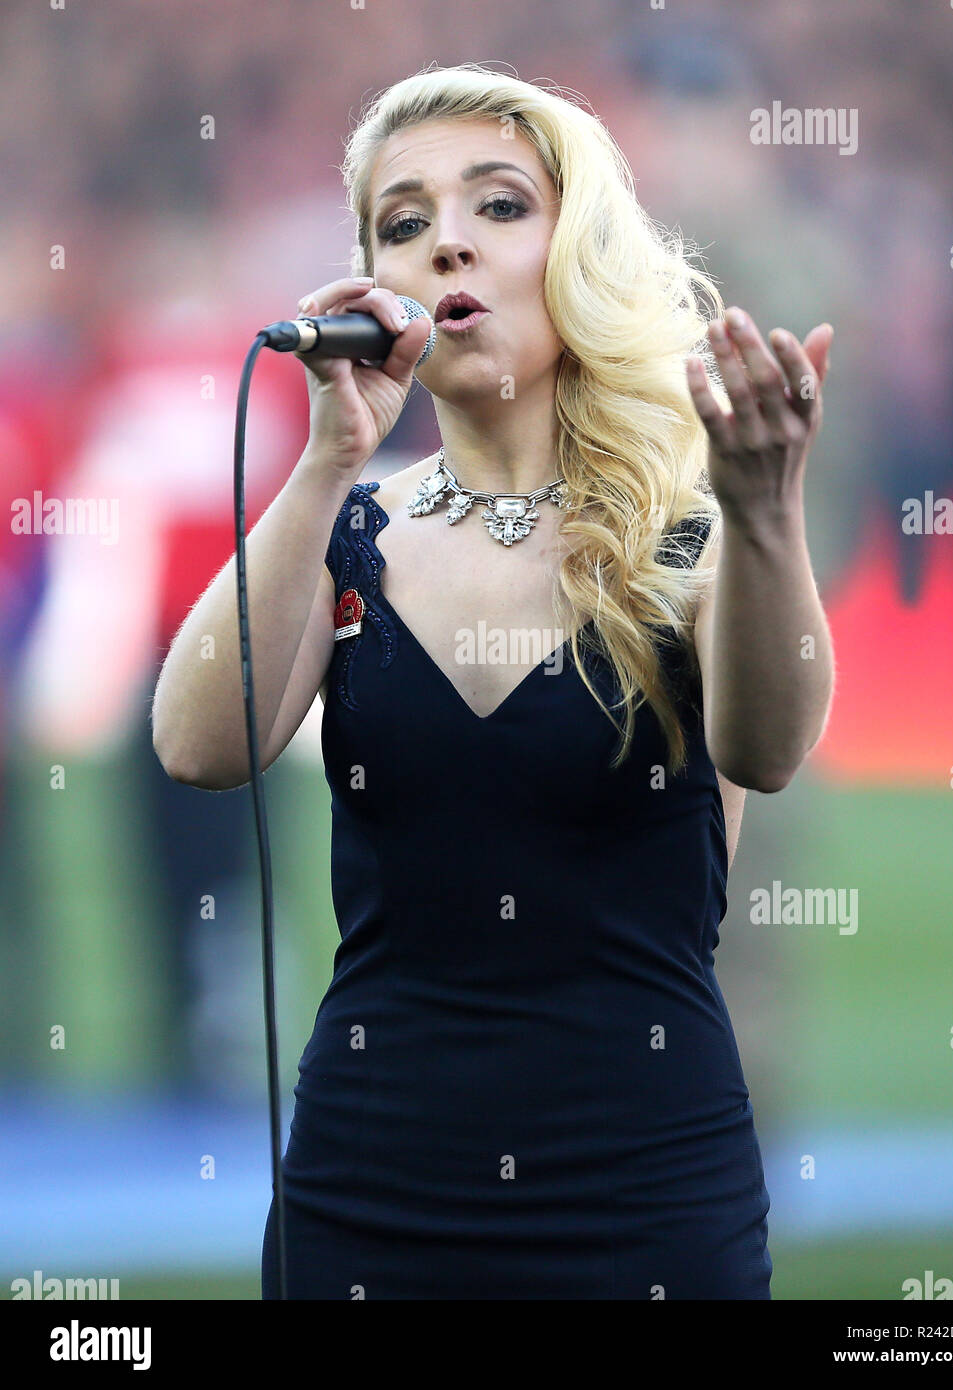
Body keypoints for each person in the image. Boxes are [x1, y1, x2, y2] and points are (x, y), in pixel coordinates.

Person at [151, 63, 834, 1299]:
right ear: (375, 291)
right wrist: (322, 464)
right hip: (368, 1180)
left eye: (498, 207)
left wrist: (766, 517)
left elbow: (769, 749)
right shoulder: (350, 525)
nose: (447, 243)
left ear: (577, 251)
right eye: (404, 224)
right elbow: (199, 743)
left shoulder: (692, 530)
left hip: (642, 1186)